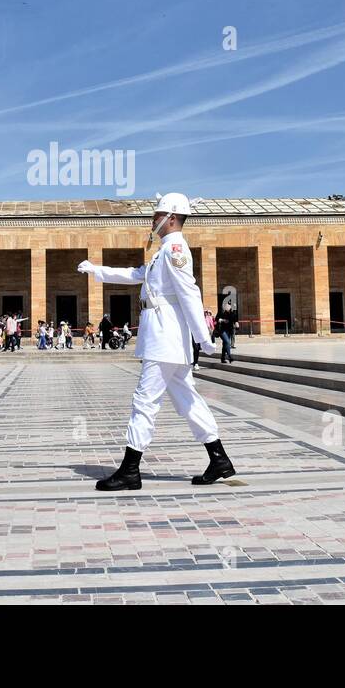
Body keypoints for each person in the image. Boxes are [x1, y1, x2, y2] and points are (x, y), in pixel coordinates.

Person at [78, 193, 231, 490]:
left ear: (171, 218)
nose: (152, 219)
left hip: (165, 337)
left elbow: (189, 292)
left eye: (157, 215)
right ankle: (219, 458)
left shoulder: (175, 249)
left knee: (144, 401)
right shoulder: (163, 251)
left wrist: (203, 337)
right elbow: (137, 274)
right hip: (166, 338)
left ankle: (130, 470)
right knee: (188, 400)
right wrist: (97, 270)